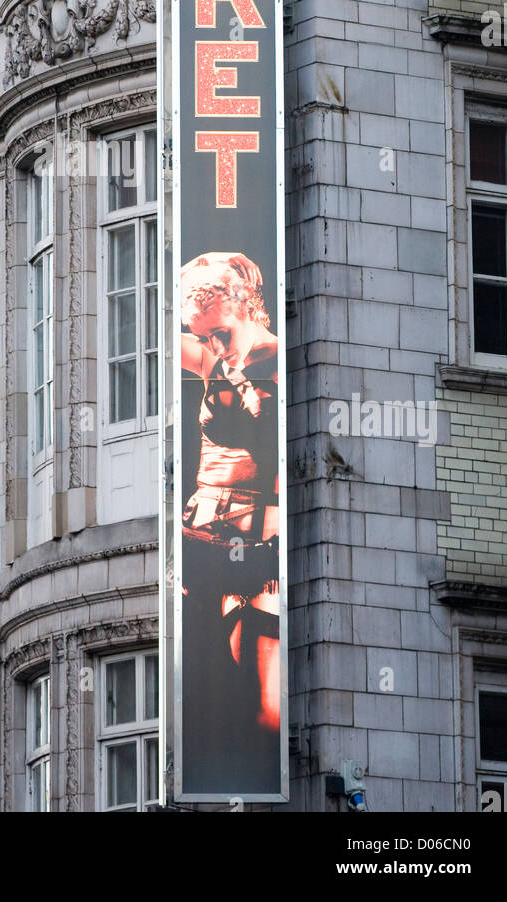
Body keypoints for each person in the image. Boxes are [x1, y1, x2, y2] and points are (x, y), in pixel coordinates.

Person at [180, 250, 280, 739]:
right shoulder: (209, 357)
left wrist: (277, 540)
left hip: (252, 528)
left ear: (245, 306)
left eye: (221, 332)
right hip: (202, 521)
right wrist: (205, 265)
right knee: (204, 675)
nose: (214, 346)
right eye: (203, 337)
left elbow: (287, 455)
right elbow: (150, 330)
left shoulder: (279, 358)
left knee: (260, 692)